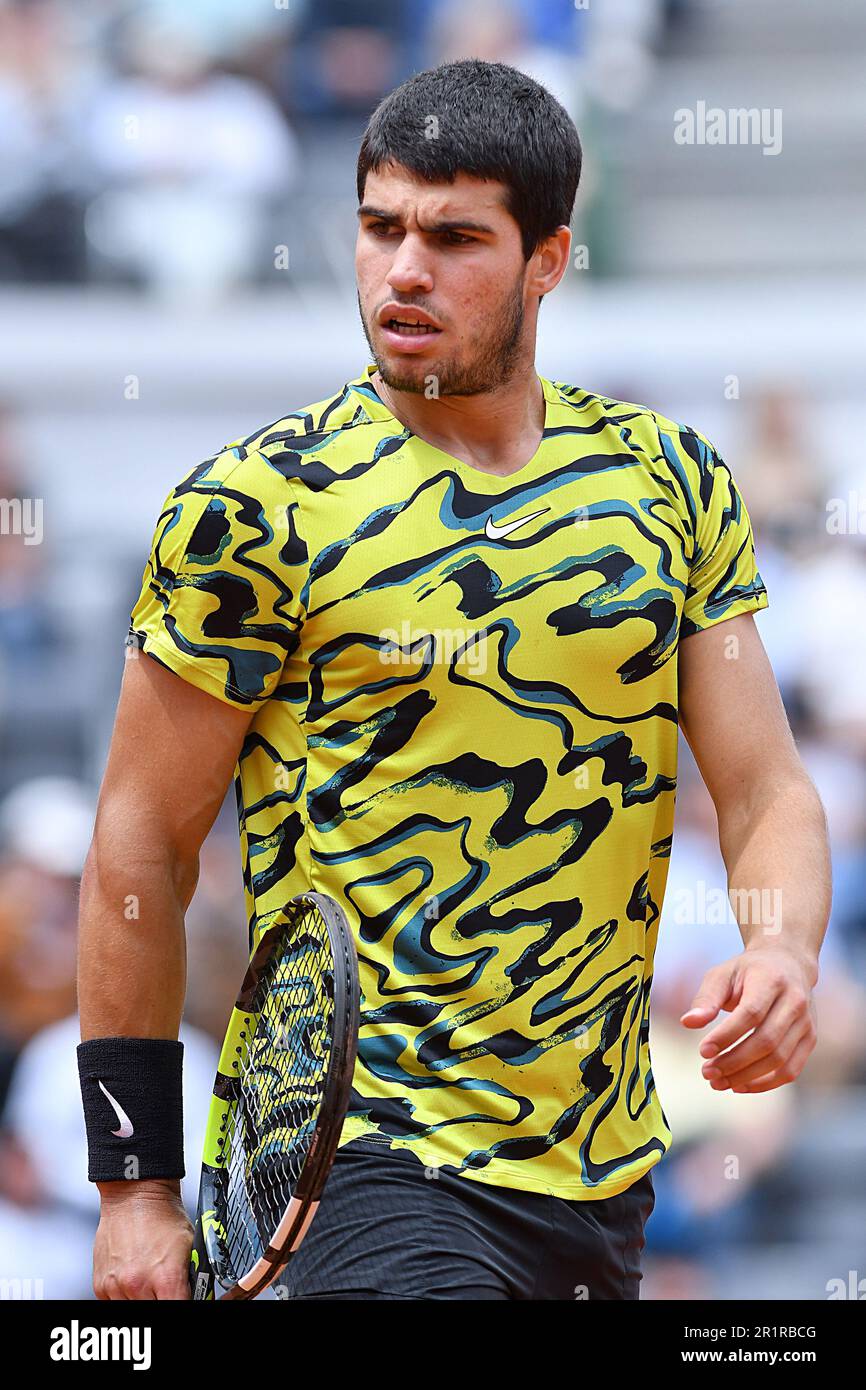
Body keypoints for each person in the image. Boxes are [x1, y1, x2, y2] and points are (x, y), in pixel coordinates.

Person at [77, 58, 831, 1301]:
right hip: (355, 1158)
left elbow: (763, 794)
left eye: (452, 236)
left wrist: (784, 949)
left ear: (547, 259)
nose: (403, 270)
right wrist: (136, 1188)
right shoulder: (256, 504)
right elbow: (139, 841)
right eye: (378, 228)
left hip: (596, 1174)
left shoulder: (669, 483)